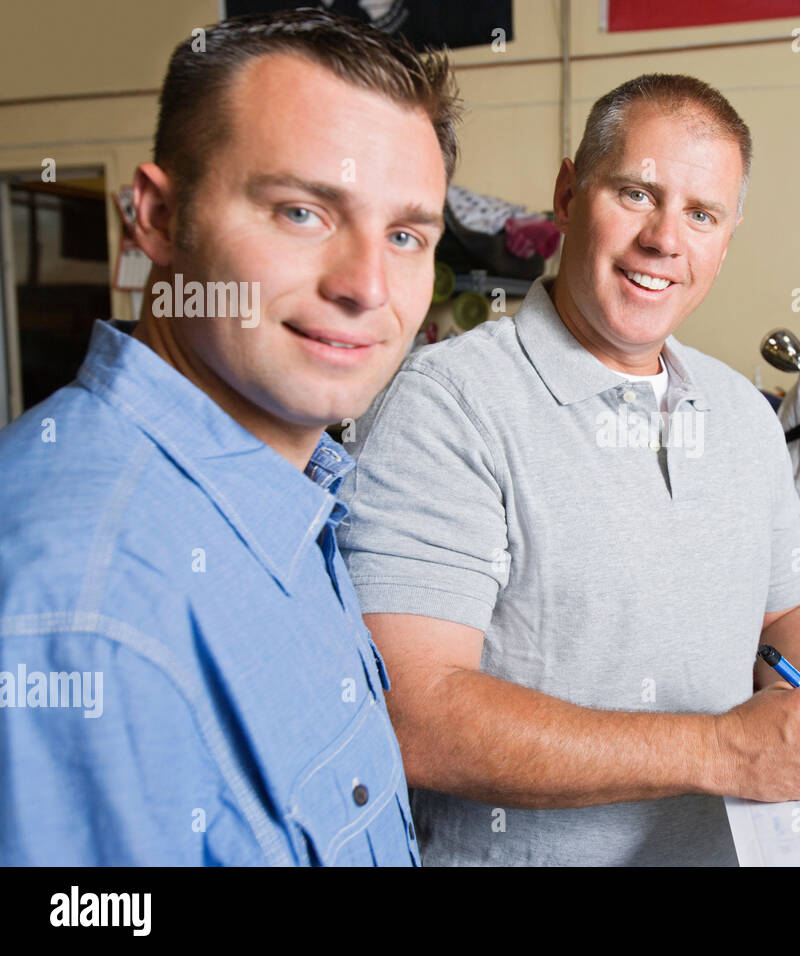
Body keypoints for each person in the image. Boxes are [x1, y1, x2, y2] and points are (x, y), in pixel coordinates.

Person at [337, 73, 800, 866]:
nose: (665, 239)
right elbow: (411, 712)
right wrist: (724, 750)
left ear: (725, 241)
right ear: (568, 192)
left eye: (701, 214)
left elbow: (791, 611)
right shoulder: (448, 404)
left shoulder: (740, 414)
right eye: (636, 193)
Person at [0, 9, 460, 865]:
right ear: (157, 217)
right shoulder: (83, 604)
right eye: (301, 212)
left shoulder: (287, 499)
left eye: (405, 235)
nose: (366, 286)